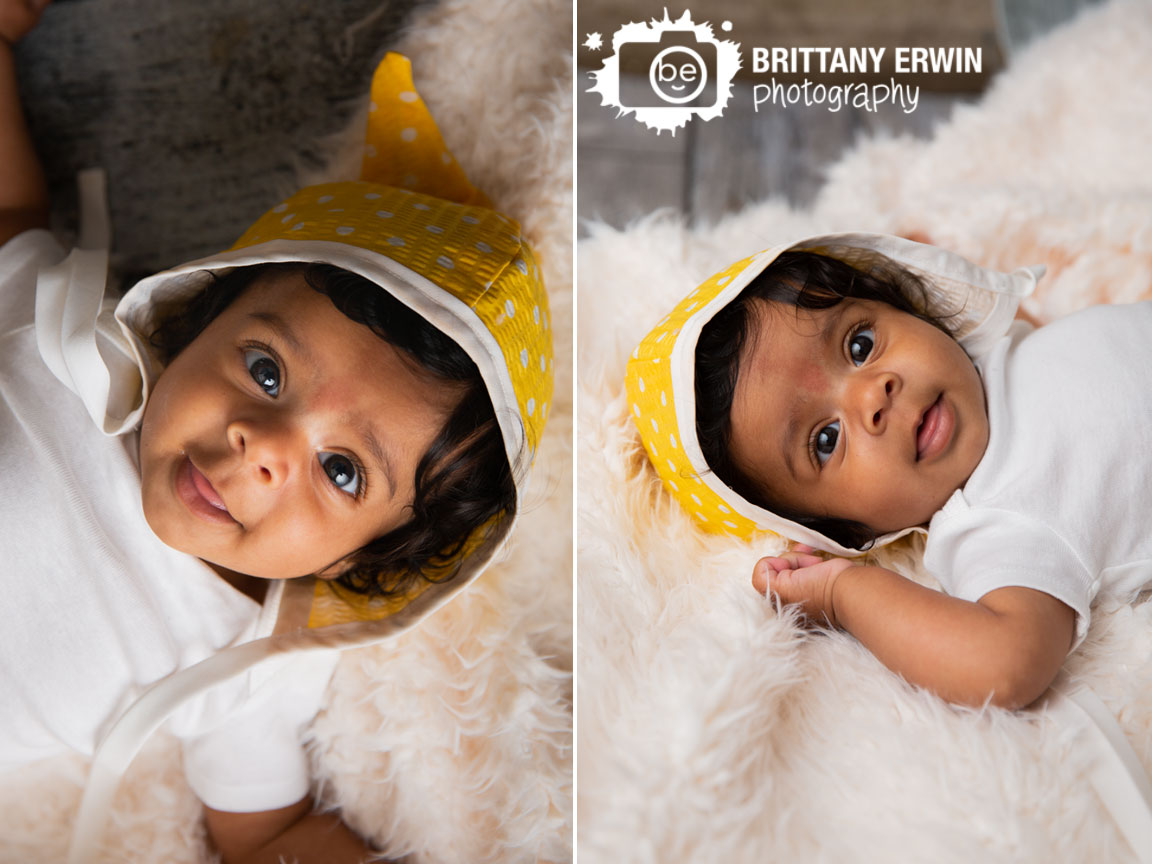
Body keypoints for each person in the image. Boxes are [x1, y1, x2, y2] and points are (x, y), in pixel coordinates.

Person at [1, 2, 554, 861]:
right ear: (196, 323)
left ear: (368, 563)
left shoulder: (249, 669)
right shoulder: (71, 355)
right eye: (264, 370)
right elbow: (10, 211)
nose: (262, 447)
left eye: (342, 471)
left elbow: (267, 833)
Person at [626, 231, 1151, 712]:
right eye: (825, 440)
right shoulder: (995, 521)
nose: (873, 394)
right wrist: (843, 595)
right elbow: (1004, 665)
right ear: (845, 530)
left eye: (860, 345)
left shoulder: (994, 353)